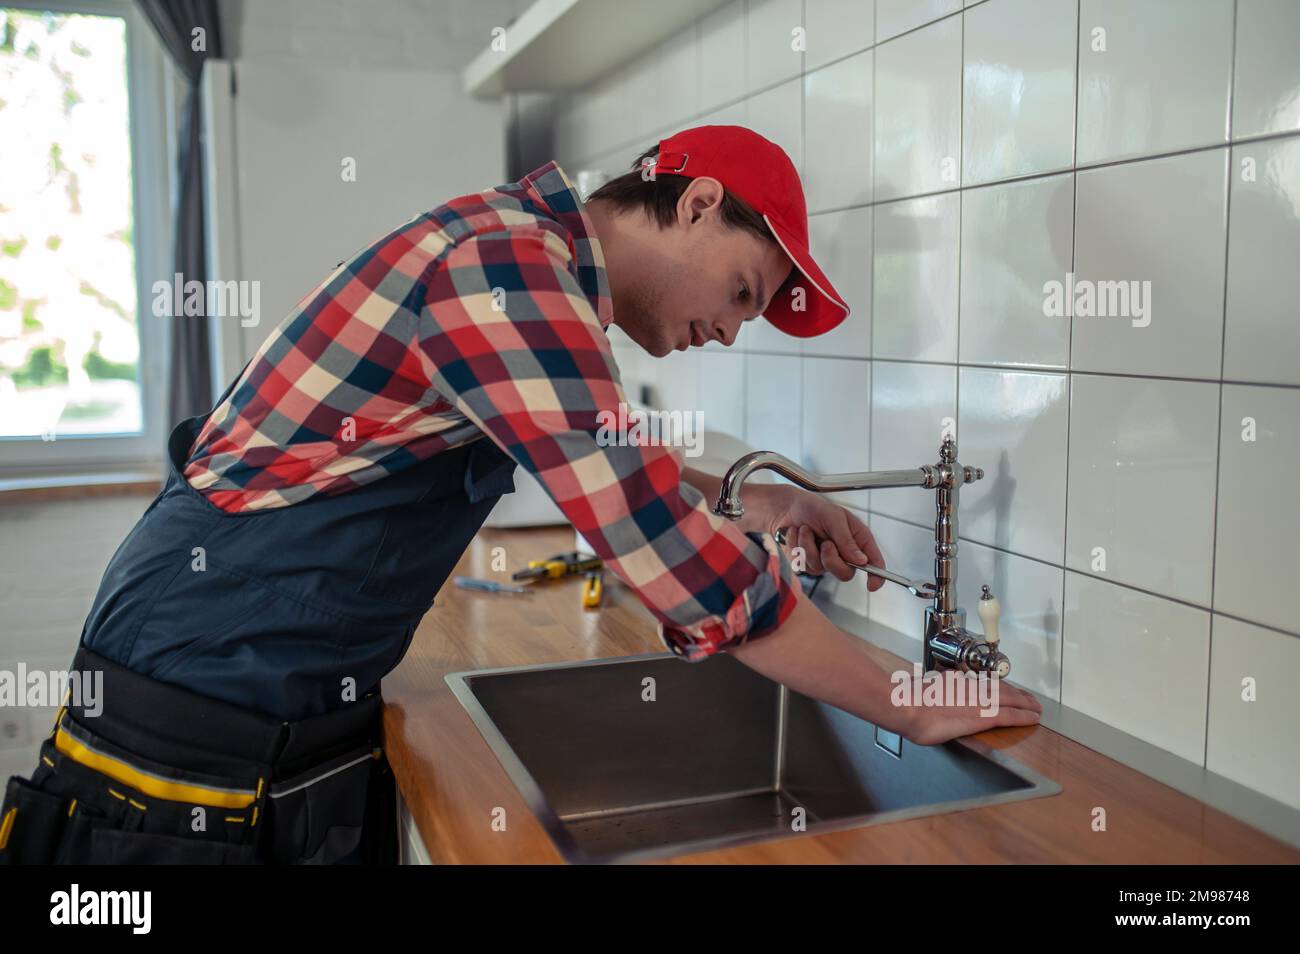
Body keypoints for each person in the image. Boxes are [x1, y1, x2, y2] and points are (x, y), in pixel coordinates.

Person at [0, 125, 1041, 865]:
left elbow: (581, 440)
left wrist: (747, 495)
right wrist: (903, 698)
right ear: (695, 204)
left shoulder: (520, 258)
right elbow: (665, 555)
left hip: (257, 678)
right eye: (740, 292)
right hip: (196, 690)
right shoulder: (503, 268)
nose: (731, 330)